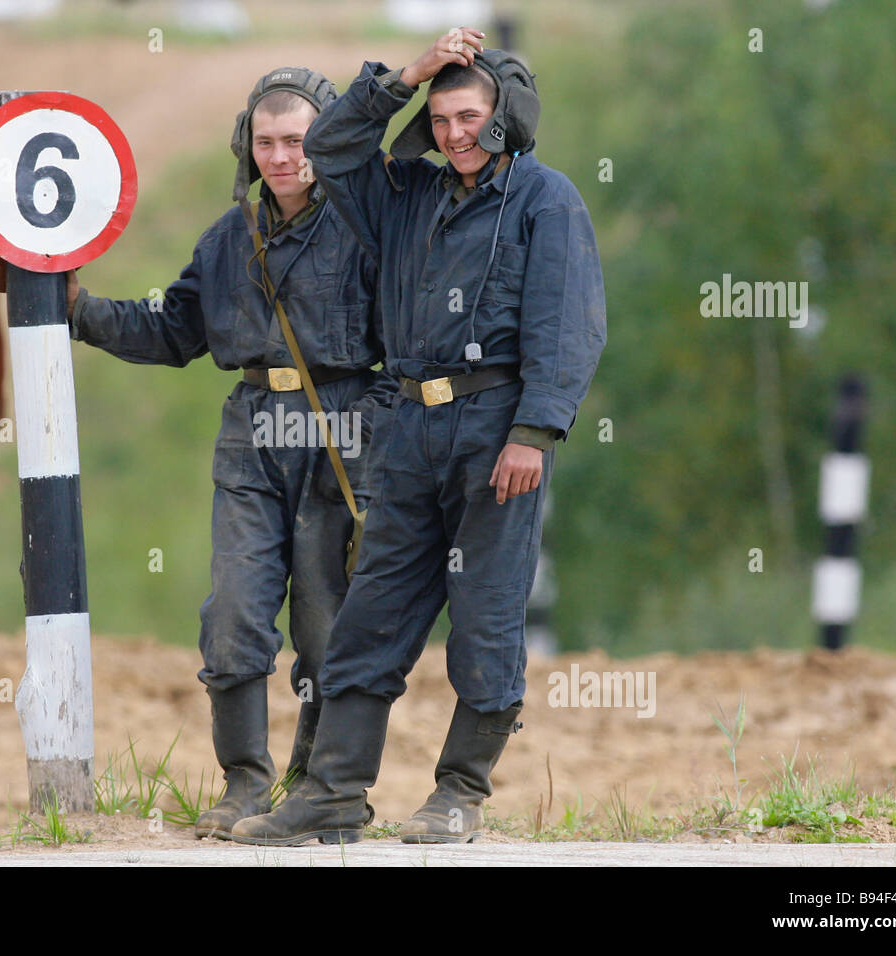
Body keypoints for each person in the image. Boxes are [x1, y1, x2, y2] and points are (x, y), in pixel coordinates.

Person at [232, 29, 606, 846]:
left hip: (494, 433)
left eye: (468, 117)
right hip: (406, 428)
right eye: (439, 120)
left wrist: (535, 432)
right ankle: (332, 796)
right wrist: (409, 75)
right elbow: (332, 145)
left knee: (485, 615)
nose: (453, 134)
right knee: (371, 614)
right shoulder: (405, 197)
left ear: (505, 116)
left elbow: (566, 326)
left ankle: (459, 793)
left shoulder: (548, 201)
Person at [63, 68, 393, 839]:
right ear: (247, 146)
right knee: (234, 615)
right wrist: (79, 310)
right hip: (251, 430)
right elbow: (173, 329)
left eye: (298, 141)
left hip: (340, 428)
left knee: (327, 626)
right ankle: (244, 784)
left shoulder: (364, 226)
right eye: (267, 140)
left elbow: (407, 347)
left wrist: (374, 428)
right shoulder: (228, 238)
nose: (281, 156)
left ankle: (317, 789)